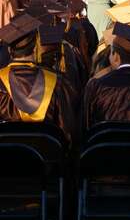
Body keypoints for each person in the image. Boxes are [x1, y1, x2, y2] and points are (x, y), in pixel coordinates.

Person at [0, 14, 77, 145]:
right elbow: (68, 134)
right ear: (36, 47)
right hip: (47, 161)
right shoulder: (58, 83)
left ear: (9, 49)